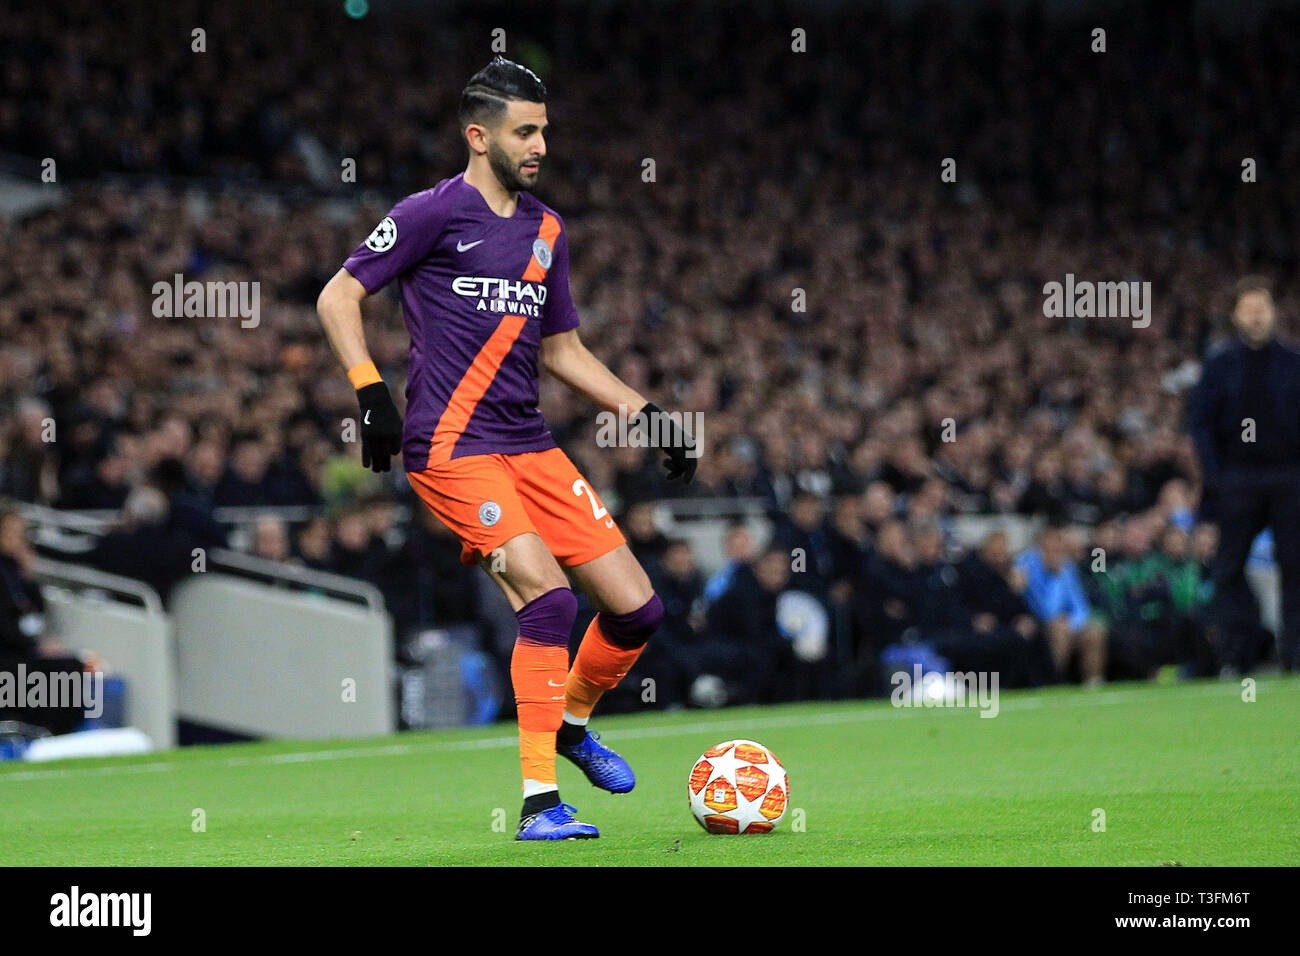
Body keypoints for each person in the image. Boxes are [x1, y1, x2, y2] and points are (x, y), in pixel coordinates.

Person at [315, 58, 698, 841]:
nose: (541, 146)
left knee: (637, 609)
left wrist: (646, 413)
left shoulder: (547, 230)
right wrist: (368, 391)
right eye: (526, 131)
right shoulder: (431, 213)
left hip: (529, 445)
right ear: (477, 135)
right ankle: (537, 804)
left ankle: (570, 723)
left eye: (545, 131)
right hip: (451, 447)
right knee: (550, 600)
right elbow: (339, 293)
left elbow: (564, 352)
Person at [1187, 276, 1300, 673]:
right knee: (1227, 567)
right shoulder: (1220, 364)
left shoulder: (1293, 361)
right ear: (1236, 315)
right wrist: (1215, 475)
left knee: (1295, 566)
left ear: (1274, 313)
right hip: (1237, 478)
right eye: (1248, 309)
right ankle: (1238, 653)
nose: (1256, 316)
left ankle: (1294, 655)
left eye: (1262, 308)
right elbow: (1199, 422)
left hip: (1289, 477)